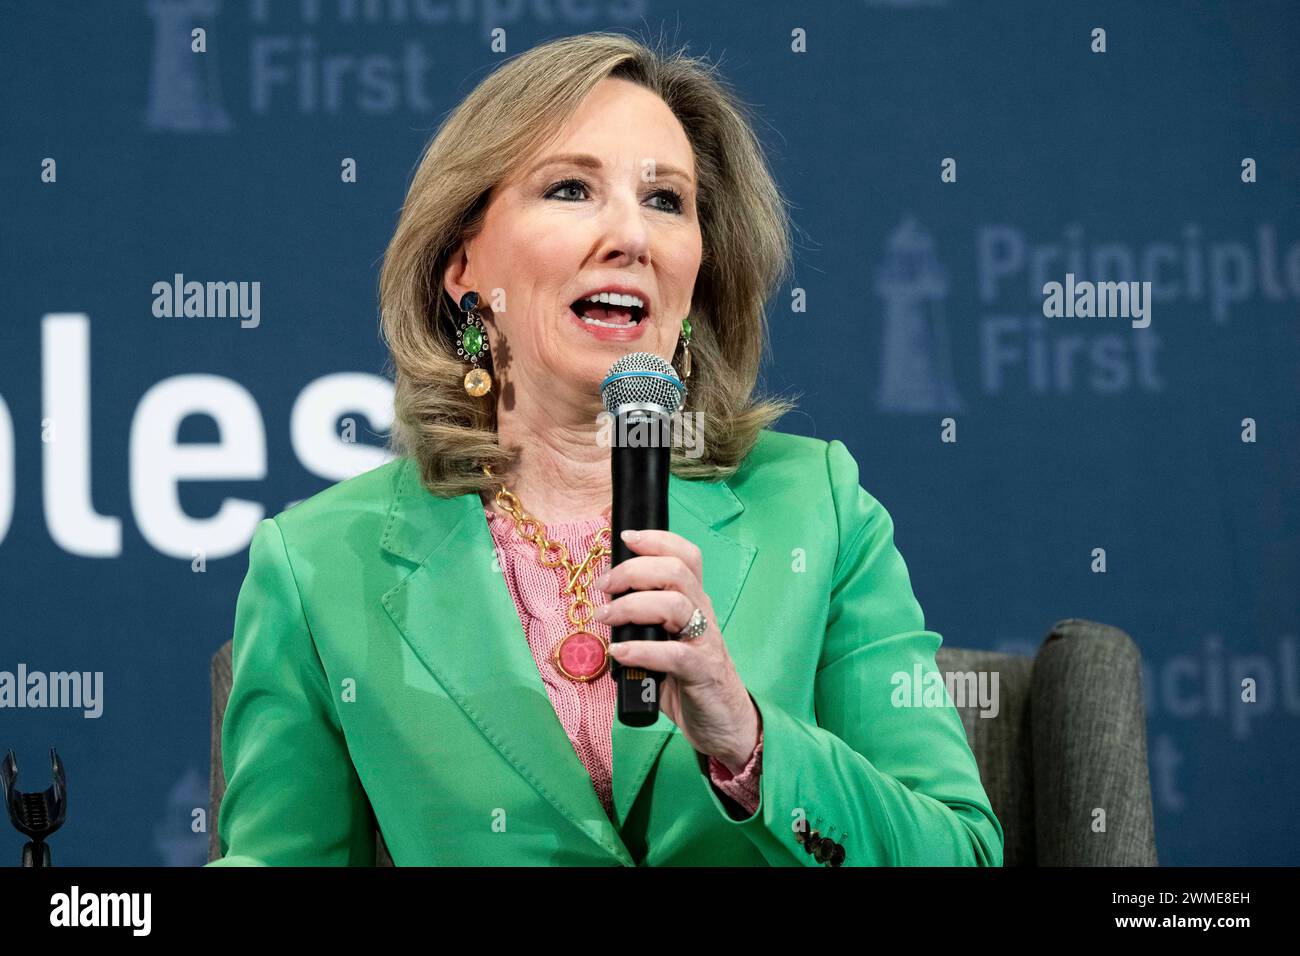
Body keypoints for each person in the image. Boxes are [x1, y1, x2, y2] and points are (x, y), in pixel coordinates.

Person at [208, 31, 1003, 867]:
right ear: (462, 266)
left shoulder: (820, 509)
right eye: (571, 189)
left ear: (699, 271)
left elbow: (962, 854)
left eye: (666, 200)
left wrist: (749, 740)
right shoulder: (320, 563)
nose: (632, 235)